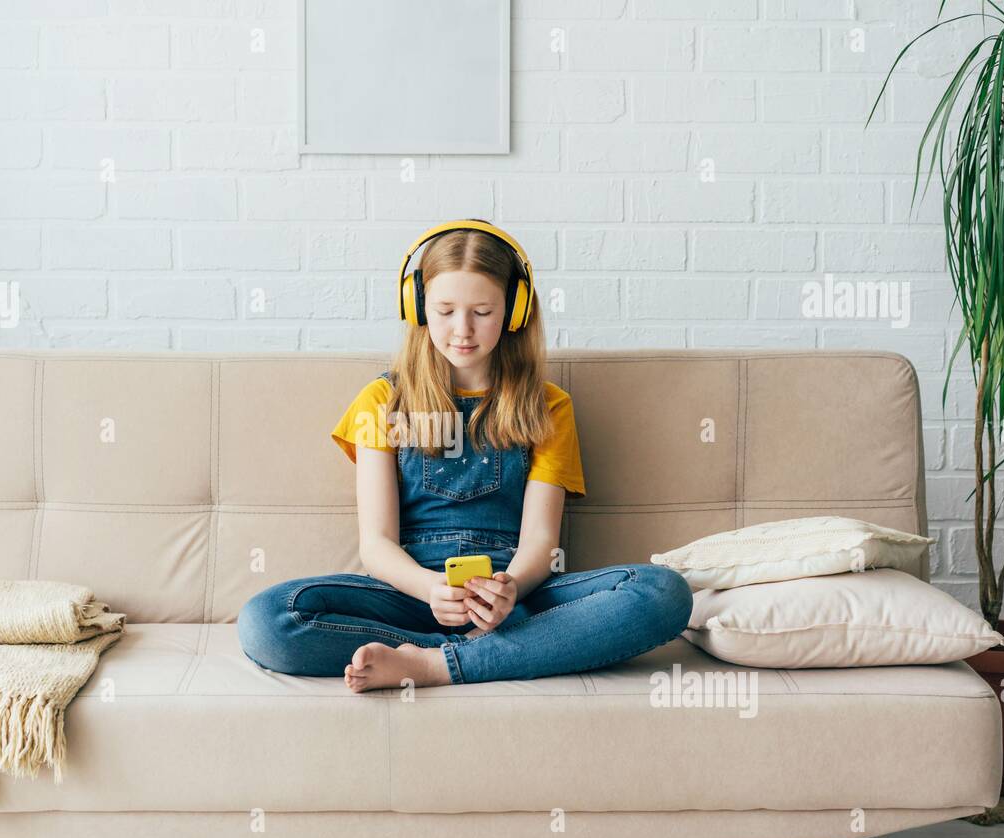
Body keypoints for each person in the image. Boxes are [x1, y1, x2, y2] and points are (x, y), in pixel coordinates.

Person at [237, 219, 692, 693]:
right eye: (445, 310)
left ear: (514, 312)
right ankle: (497, 654)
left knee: (662, 592)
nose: (462, 330)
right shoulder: (381, 401)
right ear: (417, 308)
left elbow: (541, 544)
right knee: (267, 621)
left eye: (482, 311)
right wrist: (431, 589)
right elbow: (376, 545)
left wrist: (509, 587)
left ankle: (435, 664)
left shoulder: (548, 406)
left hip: (511, 594)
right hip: (411, 592)